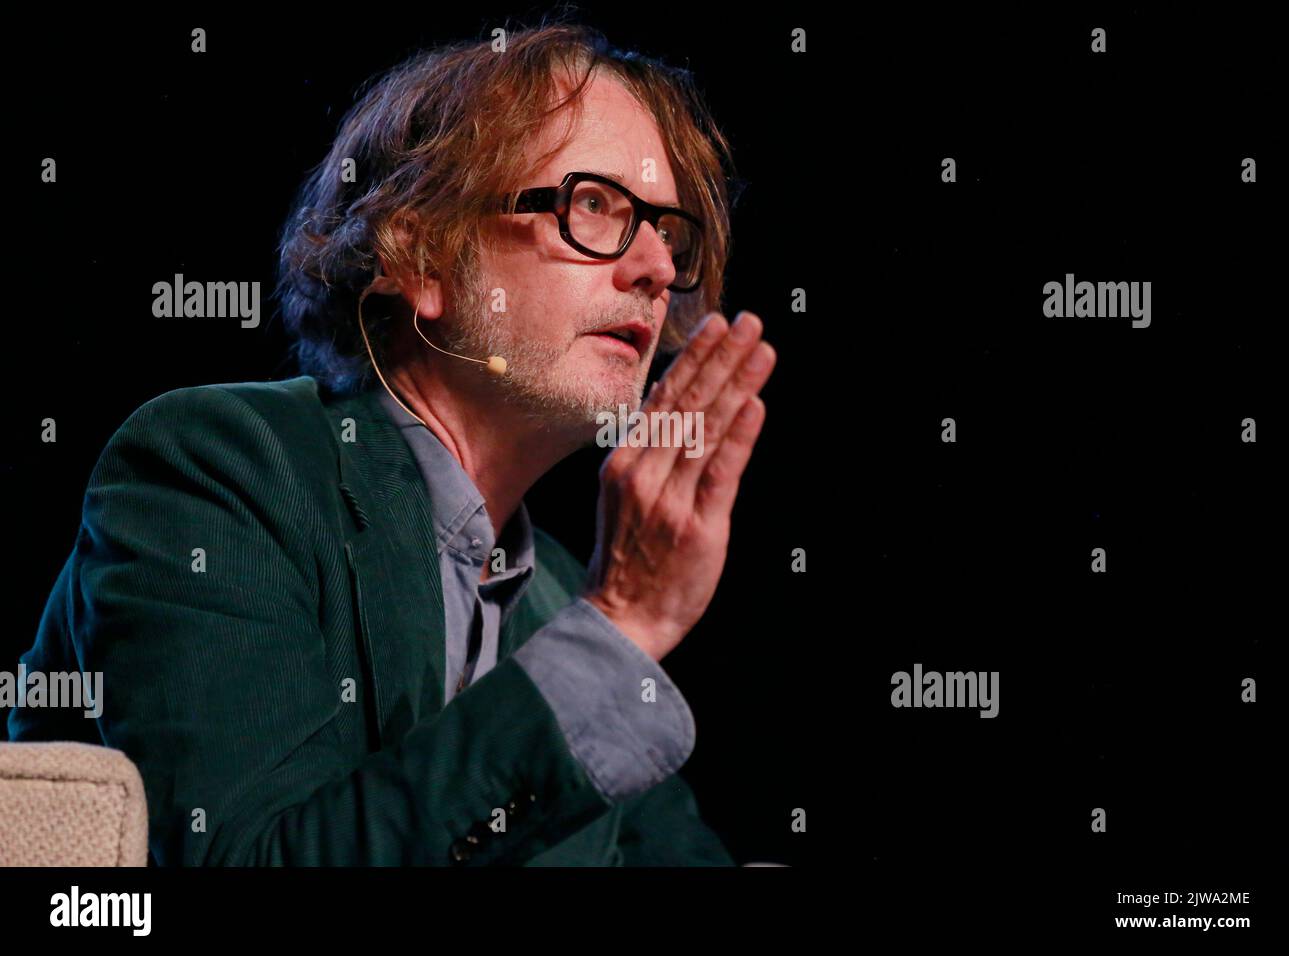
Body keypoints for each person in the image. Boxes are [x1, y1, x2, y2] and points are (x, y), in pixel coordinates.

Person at [9, 22, 776, 866]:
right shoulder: (217, 468)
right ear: (420, 256)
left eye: (667, 232)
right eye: (594, 205)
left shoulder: (558, 590)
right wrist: (624, 624)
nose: (658, 269)